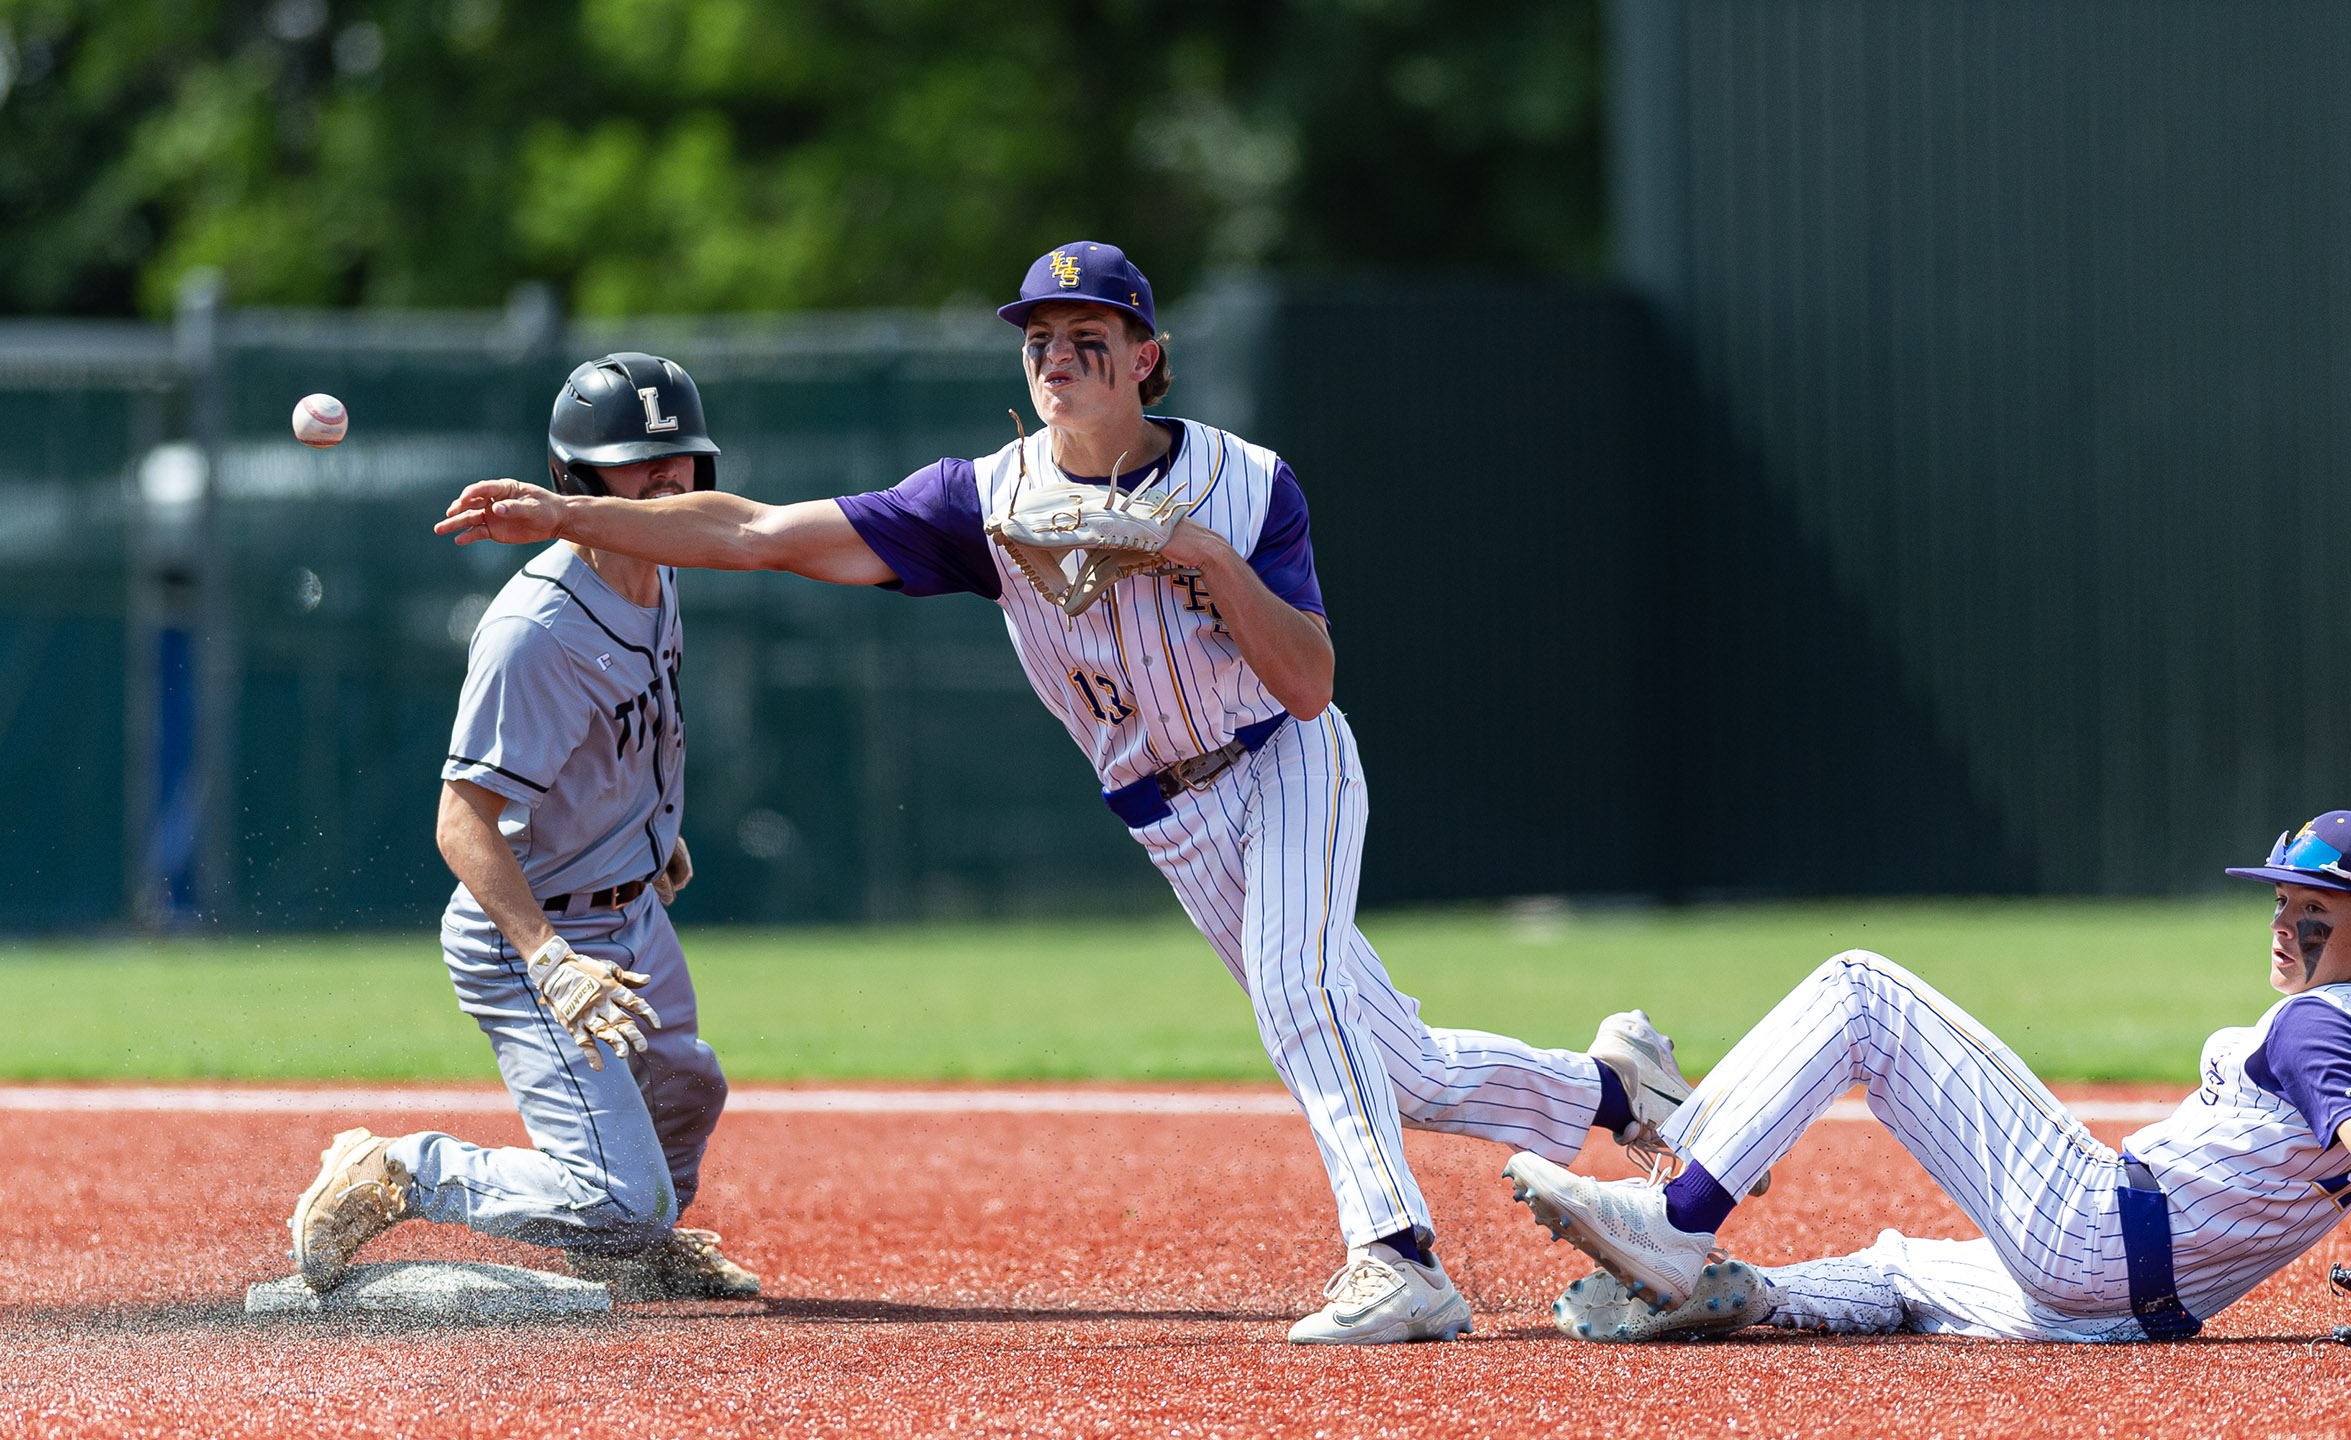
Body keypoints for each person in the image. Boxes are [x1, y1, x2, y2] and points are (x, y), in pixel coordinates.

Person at [431, 243, 1687, 1344]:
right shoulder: (985, 502)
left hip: (1284, 761)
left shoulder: (1248, 484)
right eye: (1040, 339)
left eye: (1090, 337)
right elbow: (757, 531)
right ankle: (1616, 1088)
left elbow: (1308, 685)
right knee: (1392, 1062)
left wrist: (1202, 557)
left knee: (1304, 996)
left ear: (1150, 358)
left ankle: (1398, 1259)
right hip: (1171, 814)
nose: (1059, 358)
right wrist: (562, 508)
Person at [1503, 811, 2351, 1346]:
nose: (2286, 925)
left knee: (1862, 989)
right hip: (2135, 1311)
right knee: (1898, 1267)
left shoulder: (2314, 1029)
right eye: (2280, 901)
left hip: (2093, 1226)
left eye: (2317, 911)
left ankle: (1679, 1220)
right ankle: (1737, 1293)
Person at [285, 353, 760, 1303]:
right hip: (533, 931)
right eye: (639, 465)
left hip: (627, 910)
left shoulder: (658, 568)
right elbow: (460, 824)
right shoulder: (537, 628)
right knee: (621, 1197)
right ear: (577, 482)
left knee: (686, 1089)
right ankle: (402, 1169)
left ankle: (633, 1248)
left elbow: (637, 720)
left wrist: (650, 825)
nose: (669, 485)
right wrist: (549, 957)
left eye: (682, 465)